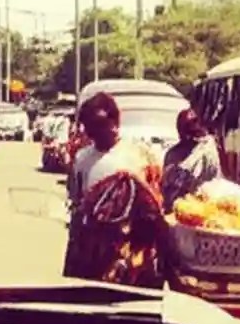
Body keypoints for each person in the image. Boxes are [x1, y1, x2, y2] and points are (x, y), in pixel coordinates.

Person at [63, 92, 165, 288]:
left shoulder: (140, 155)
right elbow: (77, 203)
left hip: (130, 246)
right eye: (88, 127)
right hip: (92, 248)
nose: (92, 133)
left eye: (98, 125)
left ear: (114, 122)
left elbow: (155, 204)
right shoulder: (82, 159)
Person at [160, 107, 222, 211]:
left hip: (202, 204)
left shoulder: (206, 150)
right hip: (176, 207)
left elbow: (210, 180)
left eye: (192, 127)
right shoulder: (173, 154)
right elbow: (166, 185)